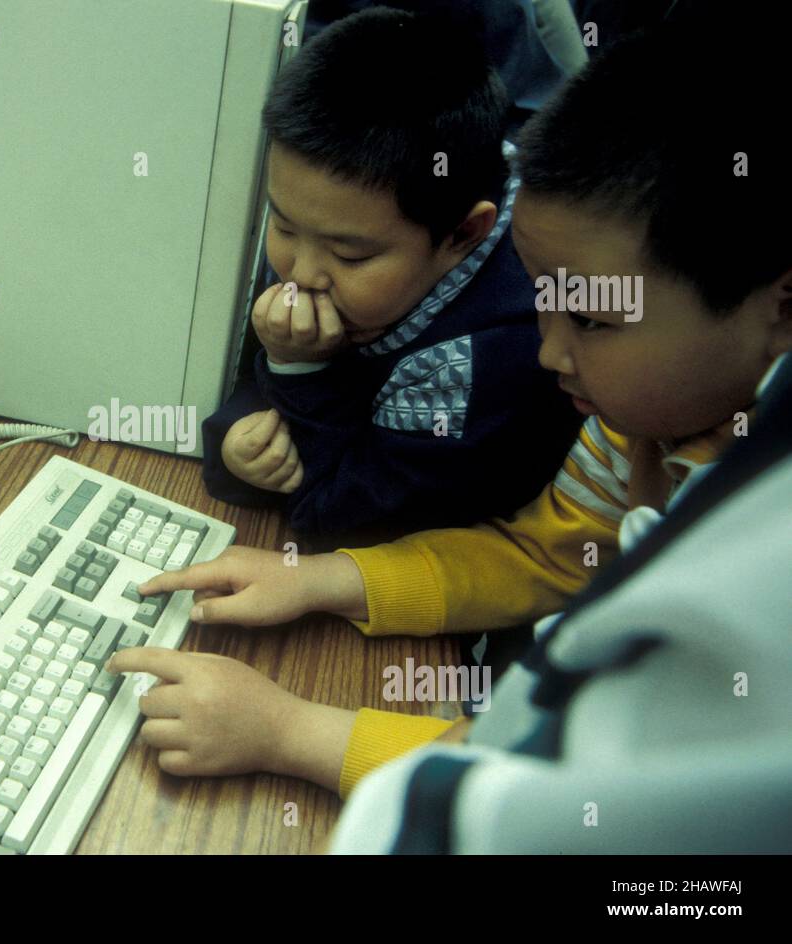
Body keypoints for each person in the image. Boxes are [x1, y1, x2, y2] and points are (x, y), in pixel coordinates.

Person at [110, 6, 792, 841]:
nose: (547, 354)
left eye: (596, 321)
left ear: (779, 309)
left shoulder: (763, 562)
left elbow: (577, 802)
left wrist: (296, 734)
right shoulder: (641, 421)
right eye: (545, 302)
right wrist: (325, 581)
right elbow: (542, 554)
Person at [201, 8, 580, 543]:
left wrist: (299, 370)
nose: (302, 275)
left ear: (463, 235)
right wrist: (236, 439)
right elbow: (245, 375)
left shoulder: (497, 352)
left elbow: (347, 520)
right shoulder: (343, 214)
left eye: (350, 258)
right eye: (283, 227)